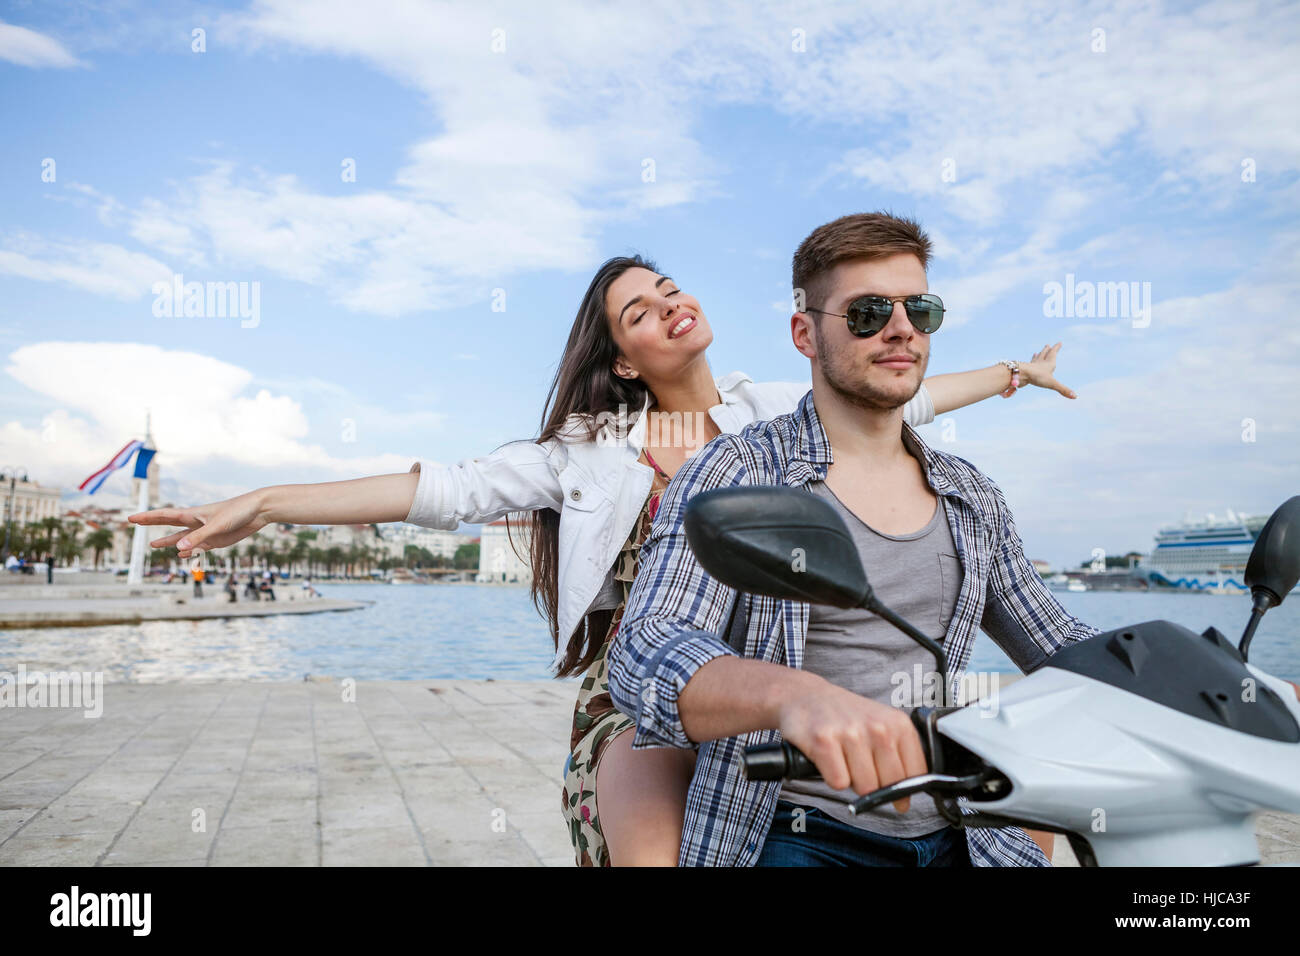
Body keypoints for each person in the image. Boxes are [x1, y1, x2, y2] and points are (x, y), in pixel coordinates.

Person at [128, 248, 1077, 867]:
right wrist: (262, 502)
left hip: (768, 678)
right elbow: (435, 490)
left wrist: (1011, 376)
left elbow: (900, 389)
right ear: (623, 358)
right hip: (639, 689)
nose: (667, 308)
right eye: (638, 312)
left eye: (669, 290)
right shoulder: (584, 452)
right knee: (650, 800)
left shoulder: (772, 420)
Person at [606, 211, 1103, 867]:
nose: (901, 328)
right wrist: (793, 696)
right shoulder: (735, 472)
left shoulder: (972, 496)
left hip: (966, 829)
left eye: (919, 310)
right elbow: (646, 647)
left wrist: (1217, 682)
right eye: (868, 312)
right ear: (804, 333)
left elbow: (1060, 642)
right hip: (792, 828)